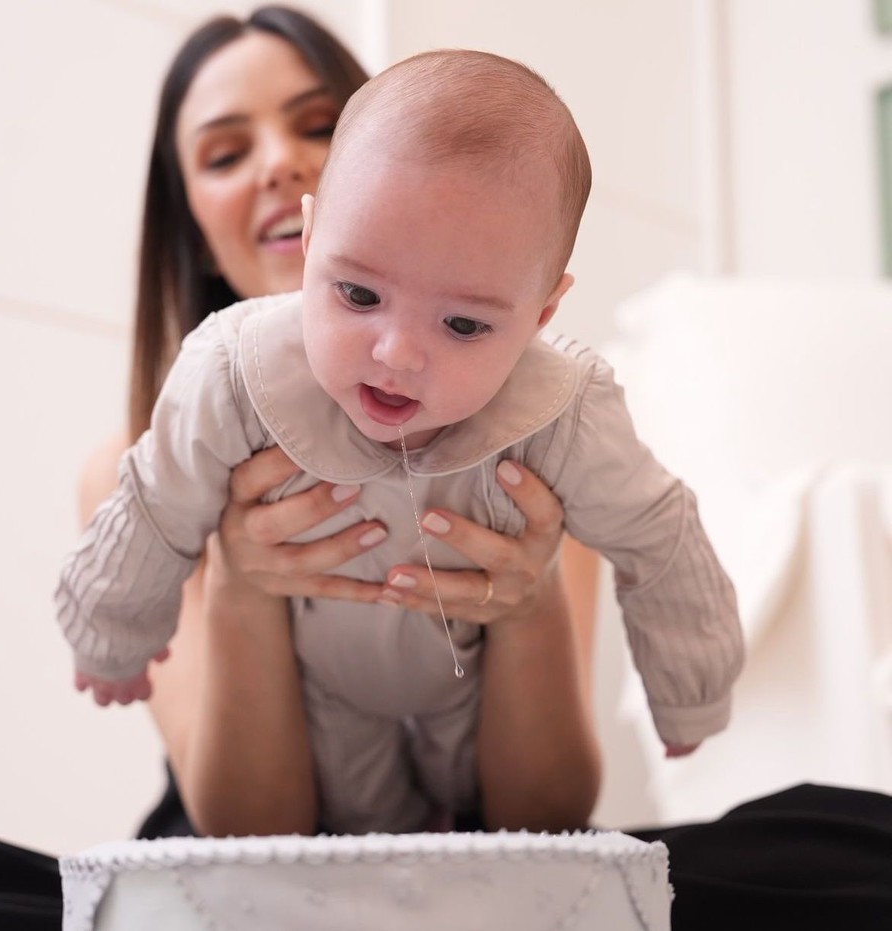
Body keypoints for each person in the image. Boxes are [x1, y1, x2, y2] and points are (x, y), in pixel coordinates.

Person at [56, 46, 744, 836]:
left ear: (540, 314)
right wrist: (141, 626)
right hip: (250, 828)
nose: (398, 354)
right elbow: (249, 832)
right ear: (316, 232)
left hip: (475, 803)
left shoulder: (545, 425)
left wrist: (687, 685)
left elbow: (656, 536)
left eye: (462, 322)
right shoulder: (206, 397)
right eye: (227, 152)